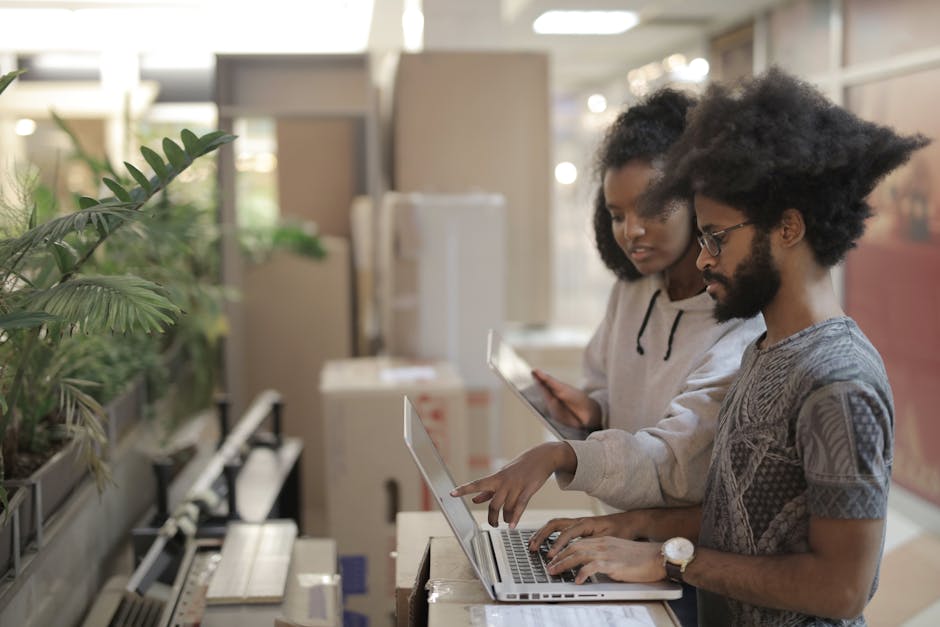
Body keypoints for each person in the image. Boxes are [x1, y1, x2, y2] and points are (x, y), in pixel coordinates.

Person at [529, 67, 930, 626]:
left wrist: (668, 561)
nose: (703, 258)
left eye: (716, 237)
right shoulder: (766, 350)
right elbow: (740, 523)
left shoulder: (838, 382)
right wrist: (629, 527)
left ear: (787, 228)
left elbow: (842, 589)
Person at [451, 88, 764, 527]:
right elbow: (604, 385)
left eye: (650, 208)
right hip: (614, 534)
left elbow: (674, 462)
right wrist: (593, 410)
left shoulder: (739, 322)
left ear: (700, 202)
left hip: (677, 548)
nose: (631, 231)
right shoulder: (631, 291)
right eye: (617, 215)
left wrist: (562, 454)